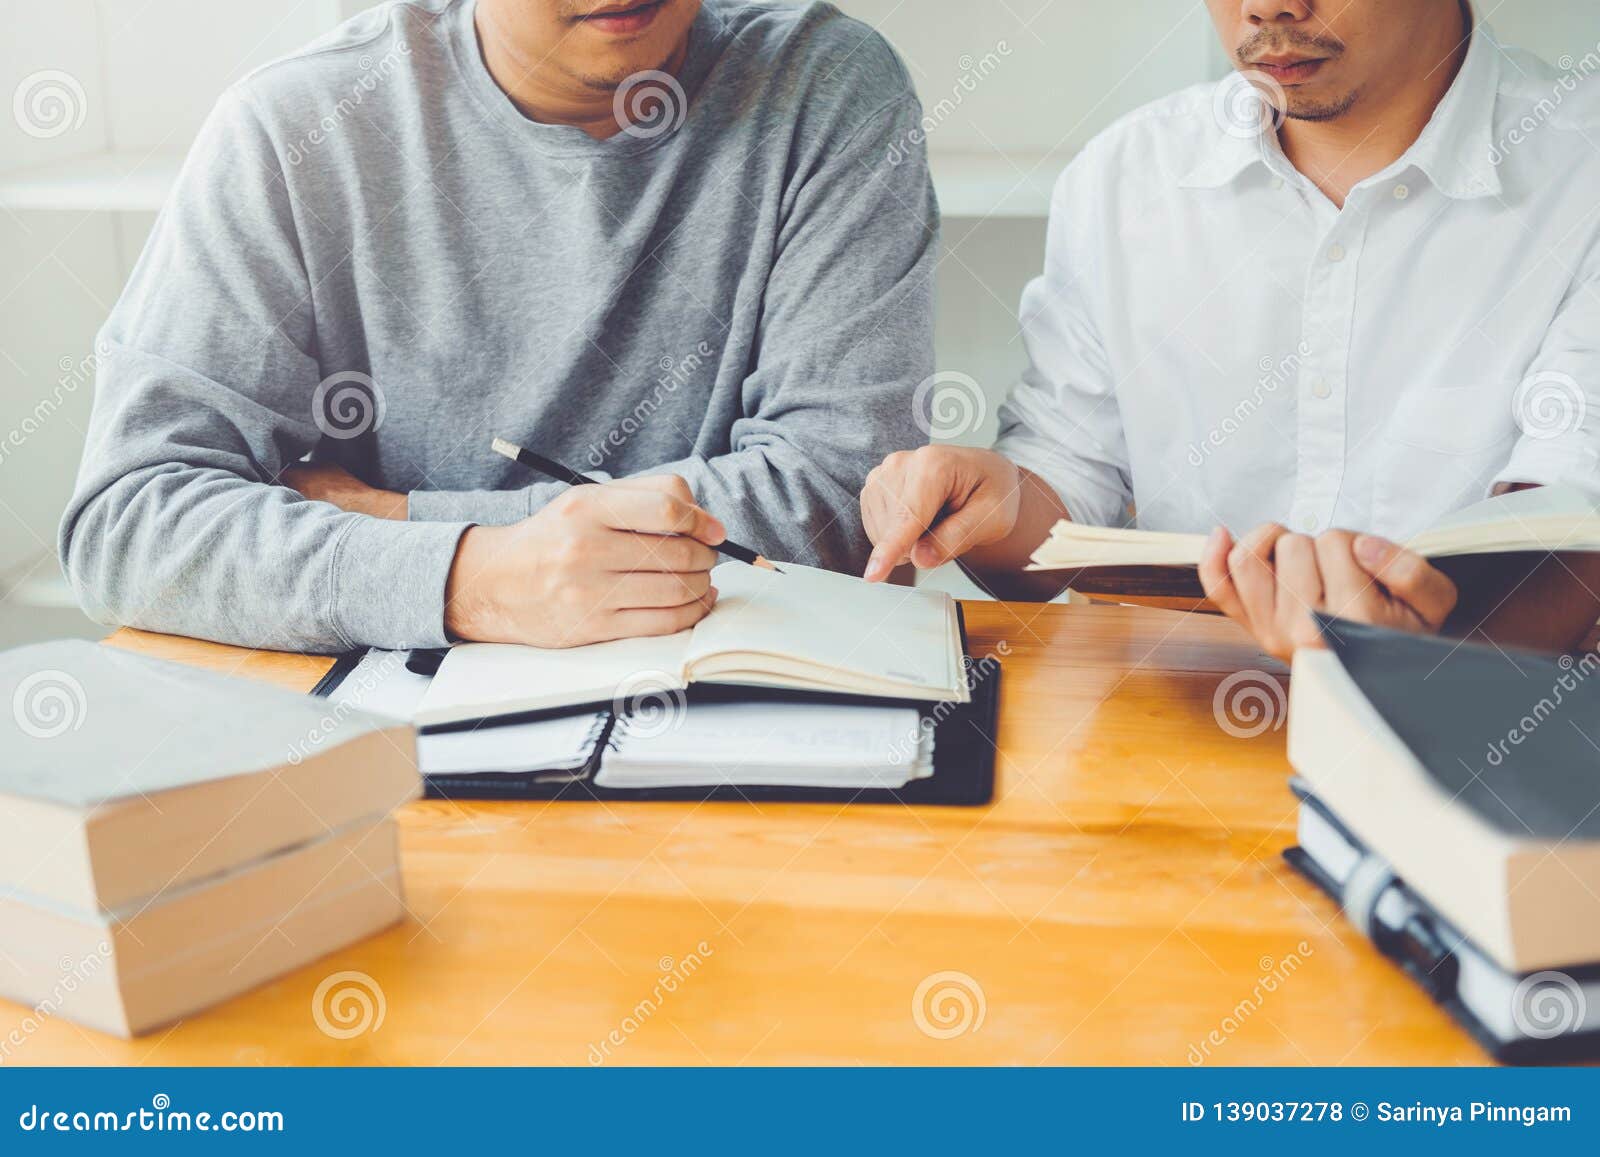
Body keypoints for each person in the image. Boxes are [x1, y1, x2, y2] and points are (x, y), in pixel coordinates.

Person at [60, 0, 936, 652]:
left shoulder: (827, 86)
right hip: (386, 737)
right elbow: (130, 523)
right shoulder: (294, 127)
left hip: (749, 702)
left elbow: (849, 501)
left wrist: (408, 521)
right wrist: (468, 582)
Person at [859, 0, 1600, 661]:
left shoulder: (1581, 167)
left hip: (1476, 751)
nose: (1268, 8)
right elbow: (1066, 487)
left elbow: (1570, 544)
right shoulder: (1125, 175)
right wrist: (998, 506)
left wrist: (1406, 655)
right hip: (1167, 733)